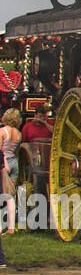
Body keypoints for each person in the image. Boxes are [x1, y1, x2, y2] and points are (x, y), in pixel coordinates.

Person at [1, 108, 21, 258]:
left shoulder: (3, 131)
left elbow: (0, 150)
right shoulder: (18, 134)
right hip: (14, 161)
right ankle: (11, 227)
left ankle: (5, 226)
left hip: (5, 162)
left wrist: (3, 165)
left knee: (3, 195)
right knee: (10, 196)